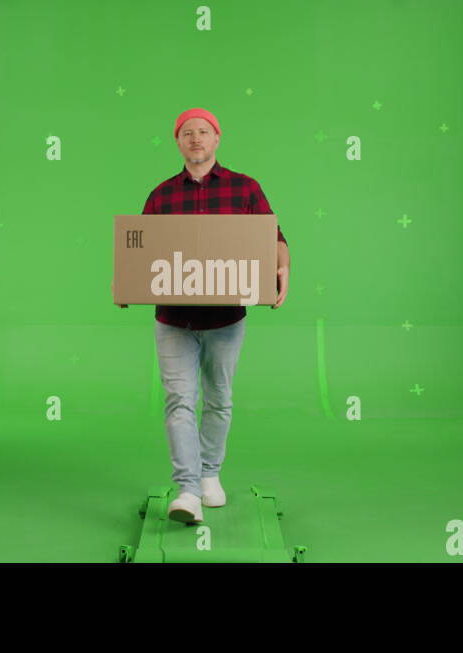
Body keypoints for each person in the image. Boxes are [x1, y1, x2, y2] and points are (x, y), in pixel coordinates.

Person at [112, 107, 290, 523]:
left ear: (216, 139)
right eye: (187, 132)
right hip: (173, 319)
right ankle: (188, 489)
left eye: (204, 132)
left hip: (225, 320)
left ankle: (211, 475)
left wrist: (283, 267)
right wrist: (124, 280)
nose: (196, 138)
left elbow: (274, 239)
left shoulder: (245, 189)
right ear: (178, 141)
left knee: (219, 400)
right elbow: (140, 251)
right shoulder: (162, 195)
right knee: (178, 401)